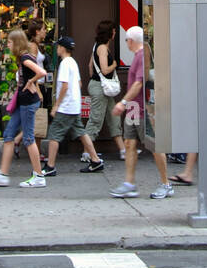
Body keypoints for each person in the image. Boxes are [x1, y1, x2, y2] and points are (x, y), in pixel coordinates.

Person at [110, 26, 173, 199]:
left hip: (140, 107)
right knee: (130, 143)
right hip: (134, 107)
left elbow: (138, 83)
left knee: (154, 145)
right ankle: (129, 183)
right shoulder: (141, 56)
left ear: (131, 40)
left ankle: (165, 183)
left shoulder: (141, 57)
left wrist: (122, 102)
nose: (126, 43)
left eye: (126, 40)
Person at [0, 30, 48, 188]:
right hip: (23, 102)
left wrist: (30, 81)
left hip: (27, 103)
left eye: (10, 42)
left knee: (28, 138)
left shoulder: (25, 58)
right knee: (8, 134)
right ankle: (3, 174)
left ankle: (38, 176)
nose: (8, 45)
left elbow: (42, 72)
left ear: (17, 43)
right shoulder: (23, 58)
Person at [41, 36, 104, 175]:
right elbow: (79, 83)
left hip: (66, 106)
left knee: (54, 134)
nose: (57, 49)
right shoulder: (73, 62)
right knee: (81, 132)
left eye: (58, 46)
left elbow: (64, 86)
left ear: (62, 48)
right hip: (74, 105)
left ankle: (50, 166)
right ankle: (95, 160)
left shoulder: (64, 64)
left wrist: (56, 105)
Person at [84, 20, 121, 152]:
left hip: (99, 86)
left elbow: (90, 66)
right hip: (101, 87)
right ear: (109, 33)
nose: (115, 32)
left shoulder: (97, 46)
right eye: (114, 30)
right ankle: (87, 153)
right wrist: (115, 65)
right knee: (95, 120)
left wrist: (94, 81)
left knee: (114, 117)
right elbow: (105, 70)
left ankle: (122, 150)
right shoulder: (103, 48)